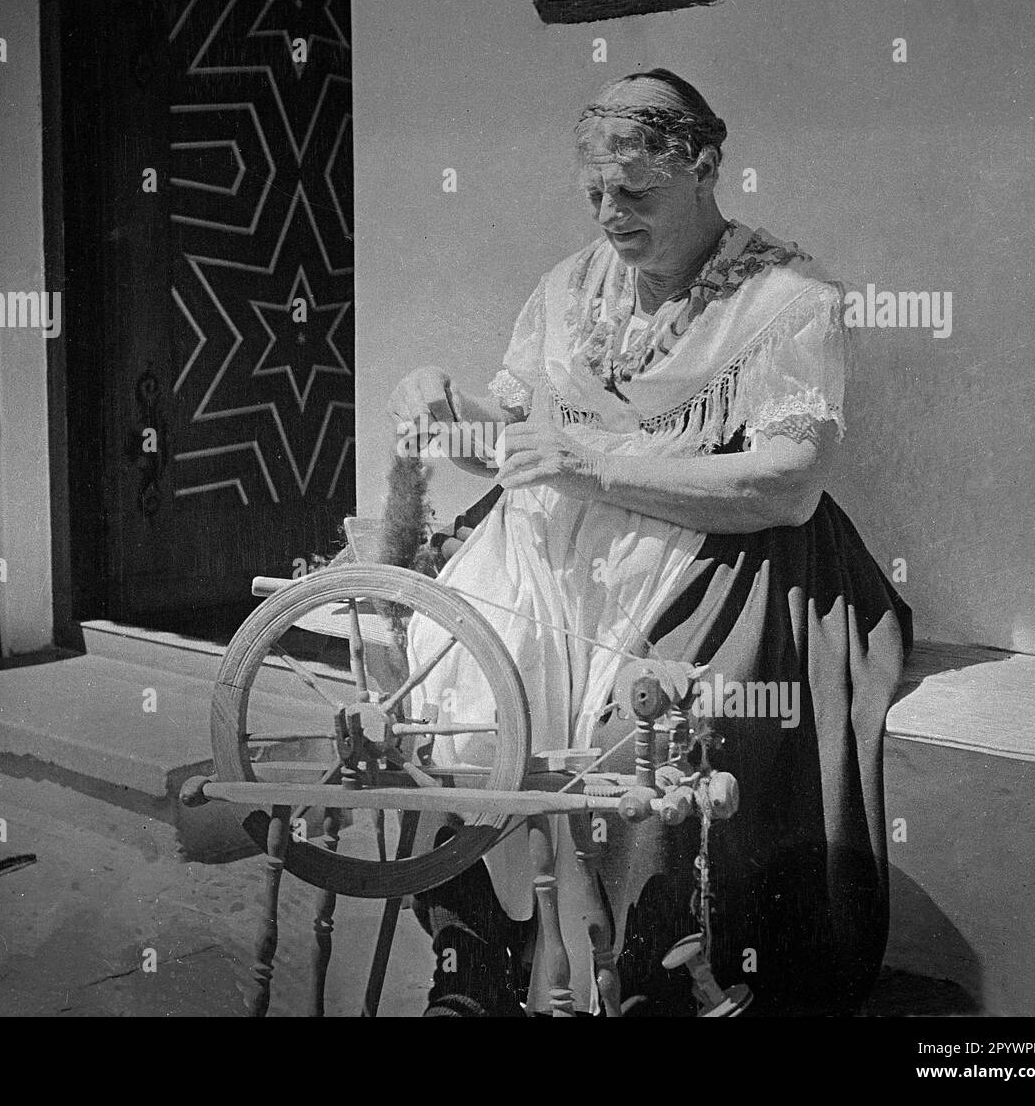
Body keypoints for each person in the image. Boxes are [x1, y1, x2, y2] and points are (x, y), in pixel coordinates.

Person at [387, 68, 913, 1016]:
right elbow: (509, 452)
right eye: (595, 193)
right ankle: (475, 962)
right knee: (456, 673)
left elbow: (787, 485)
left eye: (634, 192)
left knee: (638, 733)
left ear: (705, 165)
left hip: (722, 547)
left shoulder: (785, 299)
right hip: (558, 554)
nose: (610, 216)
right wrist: (440, 406)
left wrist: (591, 466)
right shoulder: (569, 288)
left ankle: (644, 981)